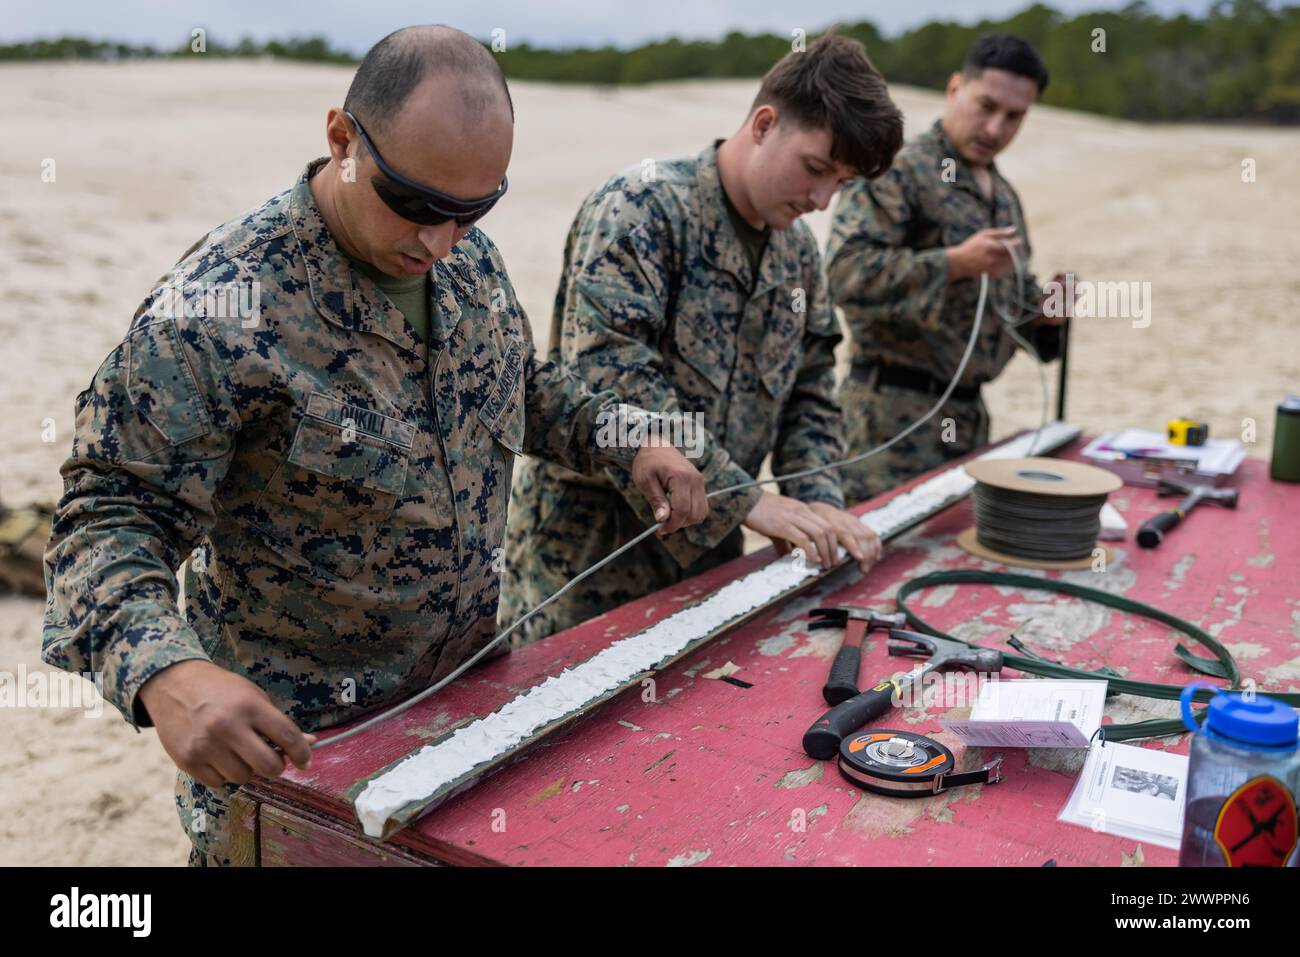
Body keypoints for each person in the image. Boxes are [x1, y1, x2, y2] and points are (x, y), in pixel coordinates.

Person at [40, 25, 708, 866]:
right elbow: (106, 517)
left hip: (467, 721)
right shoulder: (220, 304)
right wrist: (165, 674)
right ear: (342, 140)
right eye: (418, 204)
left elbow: (520, 387)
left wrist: (629, 443)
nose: (439, 241)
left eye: (474, 210)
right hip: (301, 768)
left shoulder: (463, 259)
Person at [500, 34, 902, 647]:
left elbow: (811, 395)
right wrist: (743, 499)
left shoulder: (796, 253)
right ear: (764, 124)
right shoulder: (641, 208)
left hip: (711, 563)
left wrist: (818, 507)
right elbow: (613, 376)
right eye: (817, 169)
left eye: (841, 184)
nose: (822, 201)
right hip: (590, 563)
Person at [826, 33, 1071, 502]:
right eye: (986, 106)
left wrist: (1045, 314)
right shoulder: (899, 170)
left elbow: (1007, 311)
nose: (995, 128)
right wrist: (955, 263)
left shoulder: (1003, 197)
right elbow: (844, 272)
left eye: (1014, 117)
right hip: (889, 423)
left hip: (967, 422)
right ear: (955, 88)